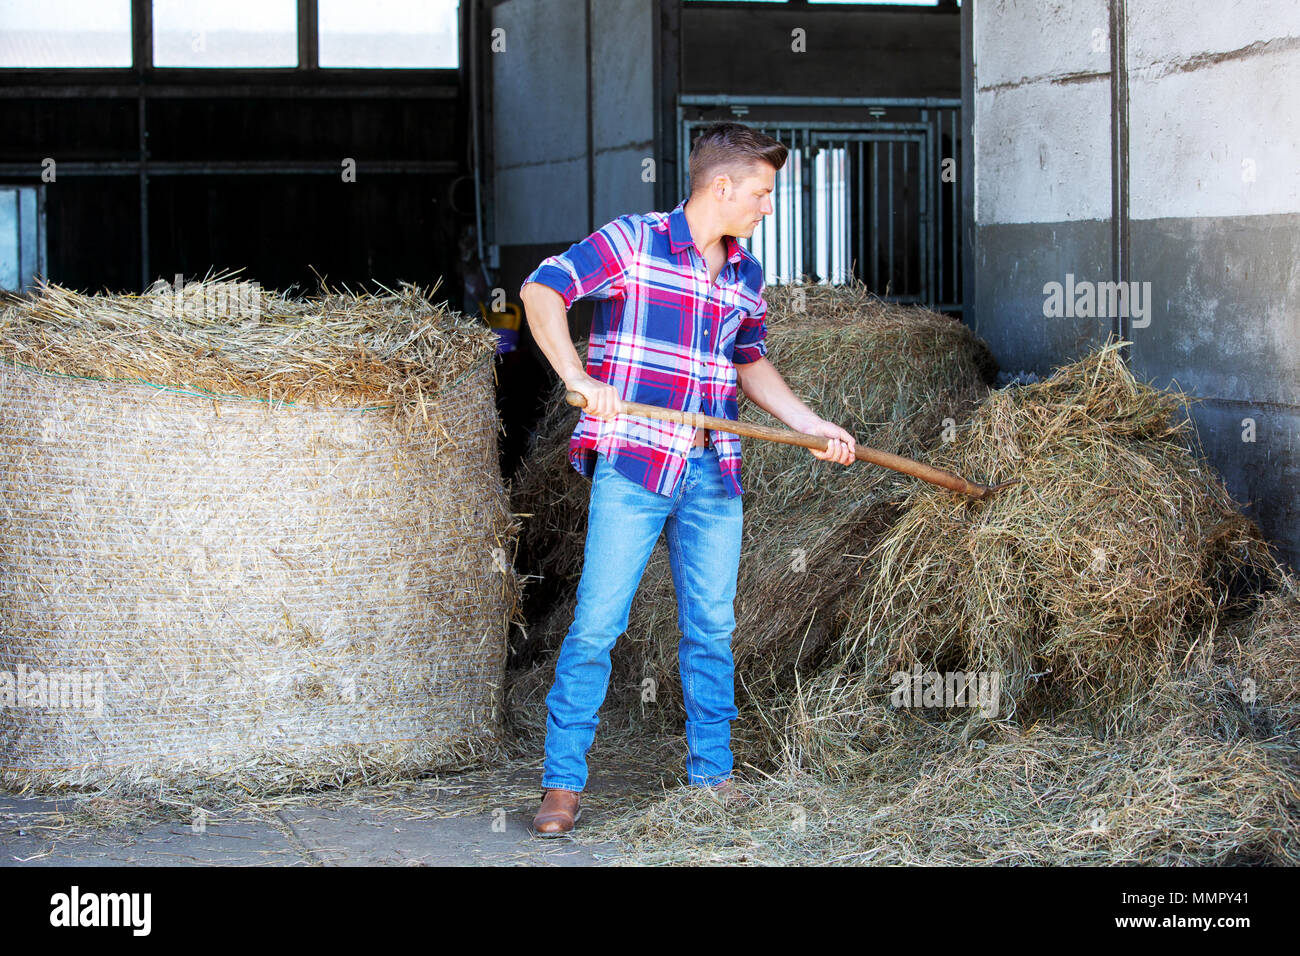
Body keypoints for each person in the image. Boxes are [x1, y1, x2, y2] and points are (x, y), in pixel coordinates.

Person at [518, 122, 856, 836]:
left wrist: (810, 426)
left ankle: (712, 774)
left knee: (711, 629)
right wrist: (578, 376)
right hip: (637, 466)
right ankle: (561, 785)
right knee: (596, 627)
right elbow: (541, 290)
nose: (767, 207)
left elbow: (749, 362)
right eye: (762, 193)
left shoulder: (745, 273)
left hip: (712, 471)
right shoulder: (632, 242)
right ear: (723, 186)